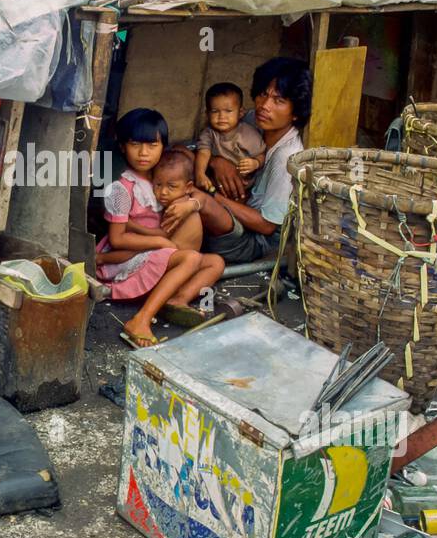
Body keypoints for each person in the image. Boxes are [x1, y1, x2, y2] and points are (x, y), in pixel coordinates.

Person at [161, 57, 312, 266]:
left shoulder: (287, 158)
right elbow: (199, 145)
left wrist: (213, 197)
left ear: (295, 113)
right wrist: (216, 161)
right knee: (177, 157)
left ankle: (170, 258)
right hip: (230, 207)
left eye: (278, 101)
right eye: (262, 94)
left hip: (252, 241)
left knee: (195, 198)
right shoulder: (252, 120)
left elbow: (266, 226)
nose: (264, 106)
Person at [96, 109, 224, 347]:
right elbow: (118, 240)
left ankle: (176, 299)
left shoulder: (161, 179)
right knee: (189, 259)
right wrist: (161, 242)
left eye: (152, 145)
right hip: (127, 258)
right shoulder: (120, 189)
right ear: (123, 147)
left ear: (163, 146)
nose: (144, 153)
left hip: (153, 254)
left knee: (215, 262)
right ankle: (141, 320)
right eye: (135, 145)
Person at [194, 81, 266, 196]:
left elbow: (262, 154)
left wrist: (256, 163)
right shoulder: (209, 133)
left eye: (228, 111)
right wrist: (200, 174)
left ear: (240, 112)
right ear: (207, 114)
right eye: (215, 111)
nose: (222, 116)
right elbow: (203, 152)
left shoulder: (248, 134)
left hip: (244, 187)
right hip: (216, 182)